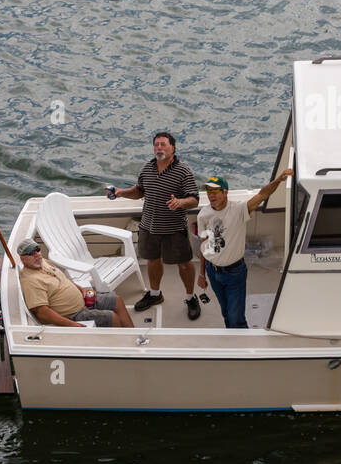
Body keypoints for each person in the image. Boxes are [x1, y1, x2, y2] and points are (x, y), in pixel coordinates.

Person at [106, 131, 202, 319]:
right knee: (152, 261)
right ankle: (155, 295)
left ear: (173, 148)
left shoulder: (183, 171)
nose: (159, 148)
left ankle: (191, 297)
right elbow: (139, 191)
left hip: (174, 229)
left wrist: (180, 203)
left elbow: (194, 199)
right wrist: (120, 192)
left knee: (184, 264)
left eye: (163, 144)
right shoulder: (147, 168)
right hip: (149, 227)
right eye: (156, 144)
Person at [195, 168, 293, 329]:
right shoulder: (203, 215)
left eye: (215, 191)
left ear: (225, 192)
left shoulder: (239, 209)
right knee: (226, 313)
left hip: (235, 273)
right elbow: (204, 244)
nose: (211, 195)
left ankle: (242, 345)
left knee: (236, 317)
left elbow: (262, 194)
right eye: (208, 191)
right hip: (212, 272)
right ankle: (234, 340)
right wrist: (201, 274)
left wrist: (279, 179)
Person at [16, 238, 133, 328]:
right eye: (31, 253)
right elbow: (42, 313)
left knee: (117, 300)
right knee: (111, 317)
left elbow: (63, 279)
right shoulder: (31, 281)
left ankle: (132, 335)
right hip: (74, 315)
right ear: (22, 258)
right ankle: (123, 347)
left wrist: (81, 289)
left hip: (83, 299)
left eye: (37, 249)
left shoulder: (43, 262)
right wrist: (72, 324)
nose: (36, 254)